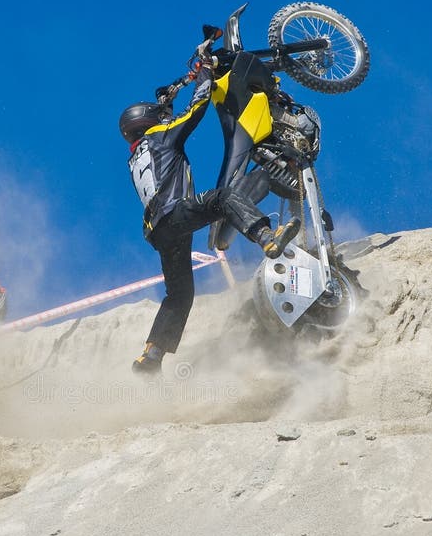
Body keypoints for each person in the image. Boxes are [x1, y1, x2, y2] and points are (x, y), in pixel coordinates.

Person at [119, 41, 300, 375]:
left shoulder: (137, 154)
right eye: (159, 116)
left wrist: (166, 99)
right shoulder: (158, 136)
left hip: (159, 231)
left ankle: (151, 355)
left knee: (179, 295)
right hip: (175, 213)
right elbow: (196, 110)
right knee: (222, 198)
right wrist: (204, 73)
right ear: (148, 121)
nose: (164, 117)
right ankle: (267, 237)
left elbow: (166, 120)